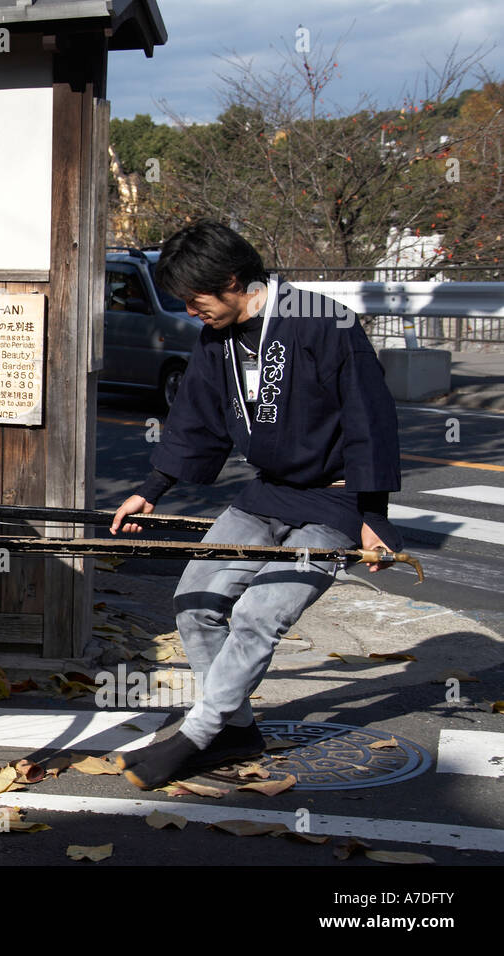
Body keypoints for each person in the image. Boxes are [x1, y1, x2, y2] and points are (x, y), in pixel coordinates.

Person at [109, 219, 403, 790]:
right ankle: (236, 728)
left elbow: (370, 417)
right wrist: (153, 487)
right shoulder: (217, 337)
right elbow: (195, 415)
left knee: (257, 615)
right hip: (267, 491)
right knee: (195, 603)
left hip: (335, 501)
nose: (192, 312)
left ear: (234, 279)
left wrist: (374, 517)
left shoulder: (325, 323)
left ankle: (198, 734)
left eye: (196, 300)